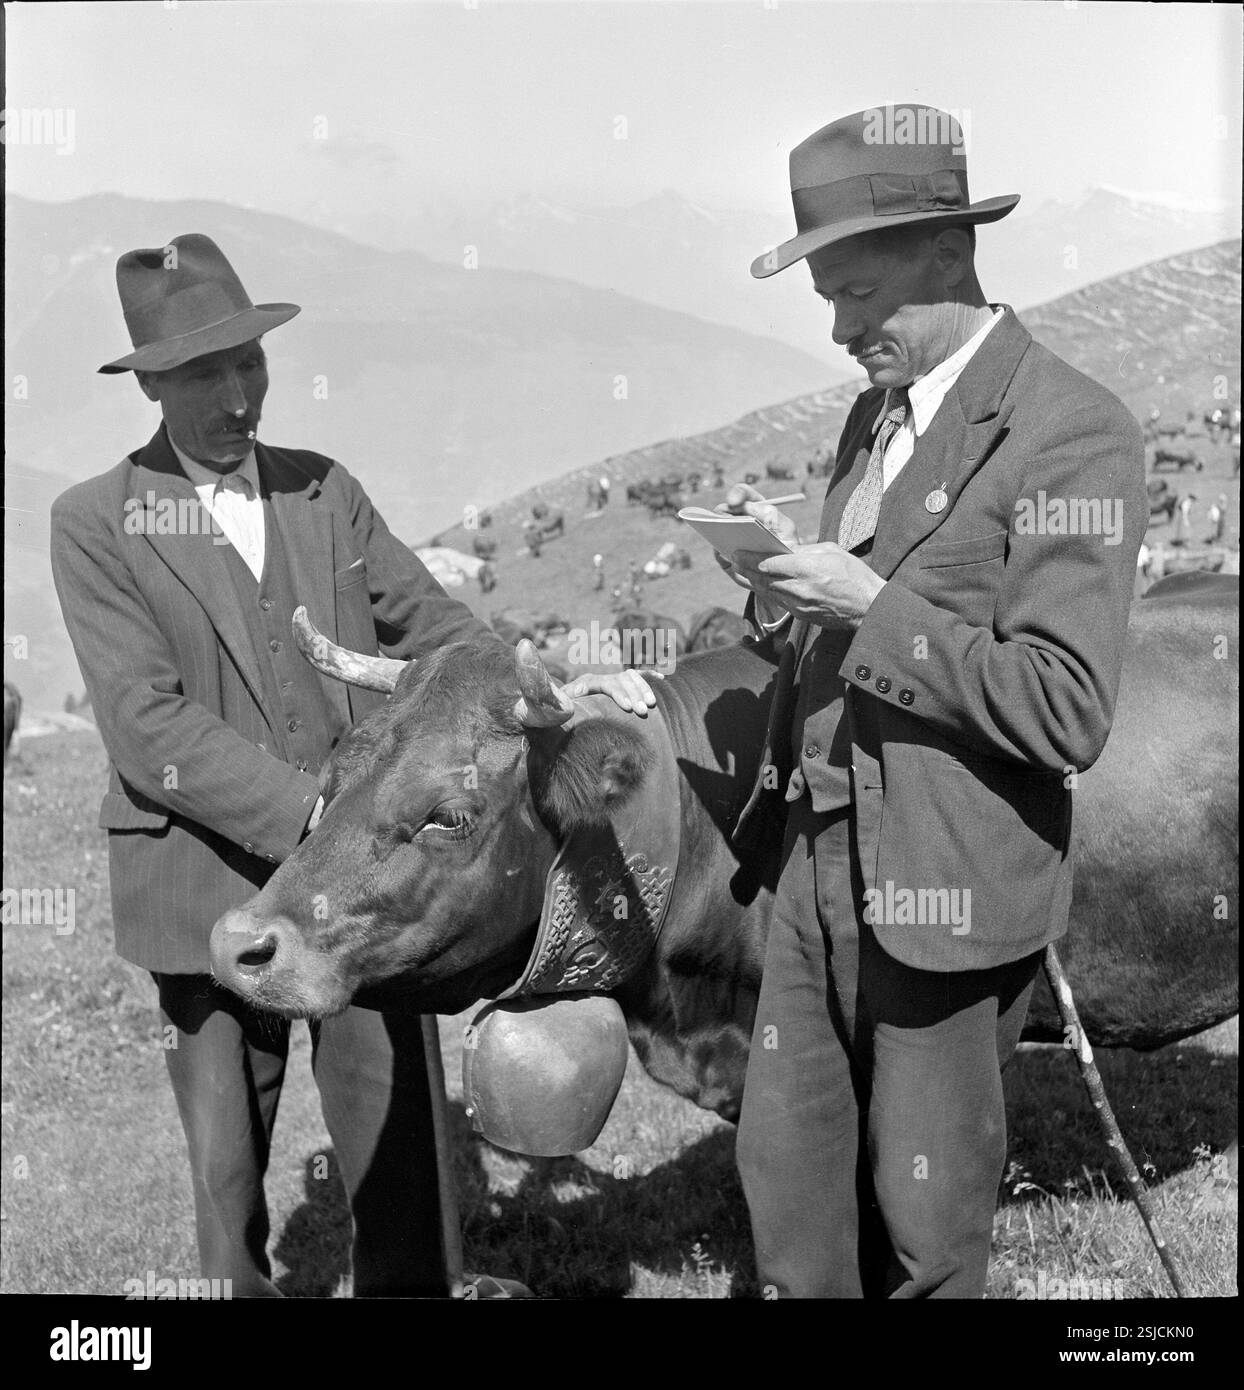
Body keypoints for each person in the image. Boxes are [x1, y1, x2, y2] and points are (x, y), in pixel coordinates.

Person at [50, 234, 654, 1299]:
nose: (241, 396)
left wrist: (536, 687)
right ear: (150, 383)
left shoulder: (324, 492)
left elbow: (444, 635)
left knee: (402, 1164)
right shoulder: (94, 522)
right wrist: (319, 810)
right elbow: (147, 727)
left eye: (252, 364)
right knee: (227, 1179)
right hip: (200, 894)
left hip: (366, 896)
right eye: (206, 373)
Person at [719, 106, 1146, 1298]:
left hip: (945, 881)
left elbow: (1063, 708)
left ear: (948, 254)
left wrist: (867, 607)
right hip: (812, 869)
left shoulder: (1071, 431)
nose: (843, 329)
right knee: (792, 1205)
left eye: (861, 296)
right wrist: (776, 595)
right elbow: (845, 622)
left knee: (925, 1236)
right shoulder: (875, 412)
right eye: (828, 302)